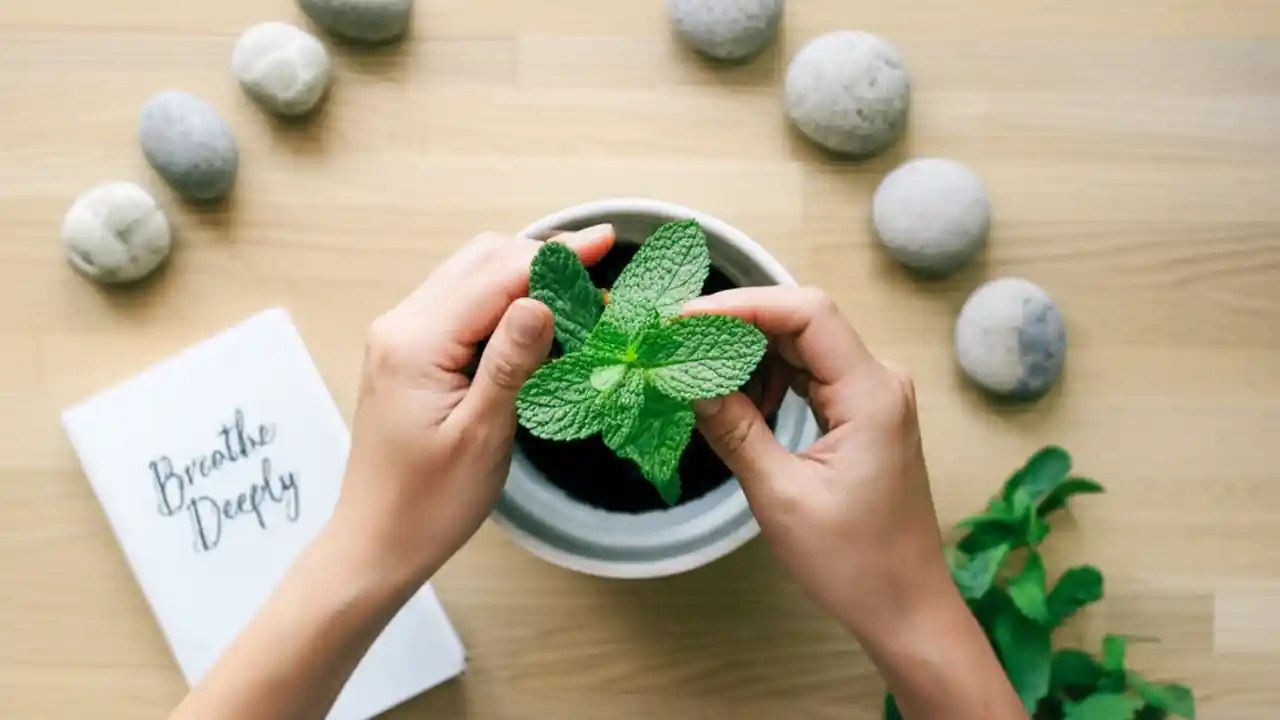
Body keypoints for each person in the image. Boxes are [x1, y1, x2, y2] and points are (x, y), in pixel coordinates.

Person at [170, 225, 1025, 720]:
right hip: (619, 369)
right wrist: (915, 614)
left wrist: (358, 554)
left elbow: (572, 381)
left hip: (637, 362)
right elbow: (548, 405)